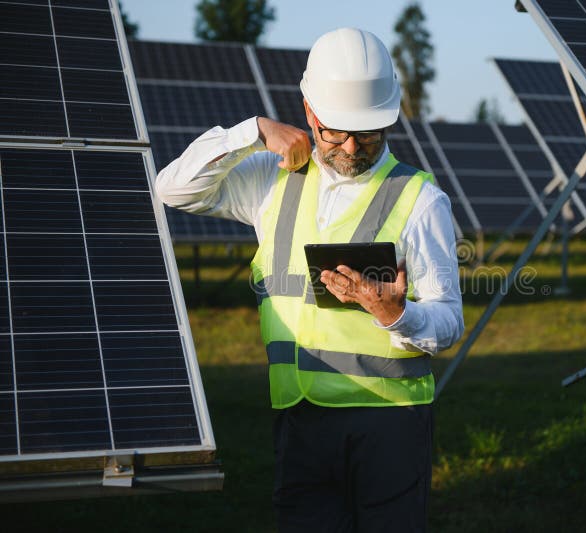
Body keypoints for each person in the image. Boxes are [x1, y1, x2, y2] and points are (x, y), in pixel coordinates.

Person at [155, 27, 463, 532]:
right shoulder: (269, 178)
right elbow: (172, 189)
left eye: (367, 132)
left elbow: (449, 320)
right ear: (309, 113)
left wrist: (396, 314)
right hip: (301, 419)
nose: (351, 147)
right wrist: (251, 132)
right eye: (335, 131)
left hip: (390, 423)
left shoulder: (421, 199)